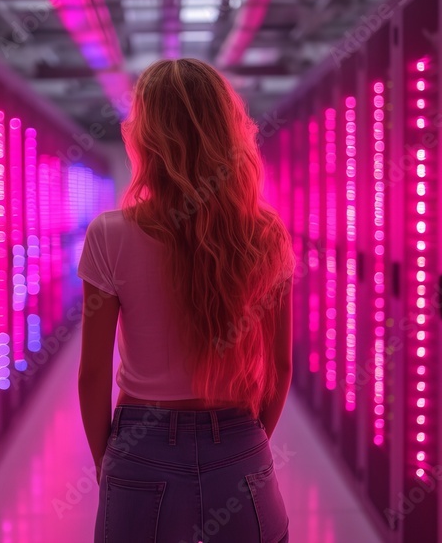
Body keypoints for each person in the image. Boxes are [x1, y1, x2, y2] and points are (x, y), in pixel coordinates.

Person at [77, 57, 295, 543]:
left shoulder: (110, 234)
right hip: (238, 435)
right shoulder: (263, 234)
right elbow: (280, 368)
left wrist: (107, 463)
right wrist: (243, 447)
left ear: (146, 137)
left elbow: (92, 374)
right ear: (228, 130)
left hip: (141, 444)